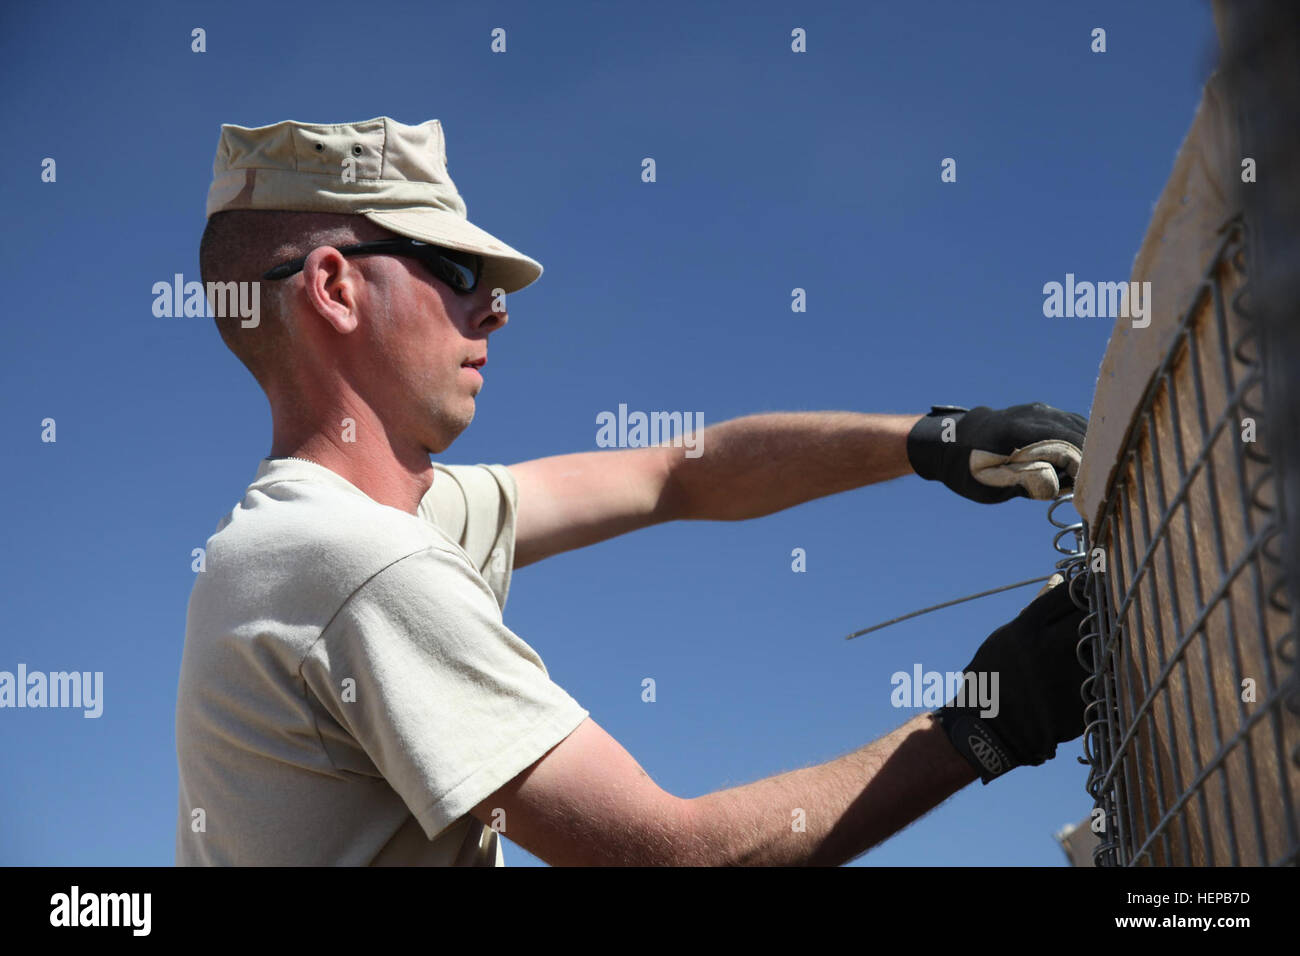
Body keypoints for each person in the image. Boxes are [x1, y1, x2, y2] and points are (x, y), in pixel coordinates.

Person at [176, 116, 1091, 866]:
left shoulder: (347, 526)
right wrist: (989, 722)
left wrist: (933, 441)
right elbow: (676, 858)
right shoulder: (362, 565)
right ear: (334, 288)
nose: (494, 307)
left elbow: (675, 475)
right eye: (456, 271)